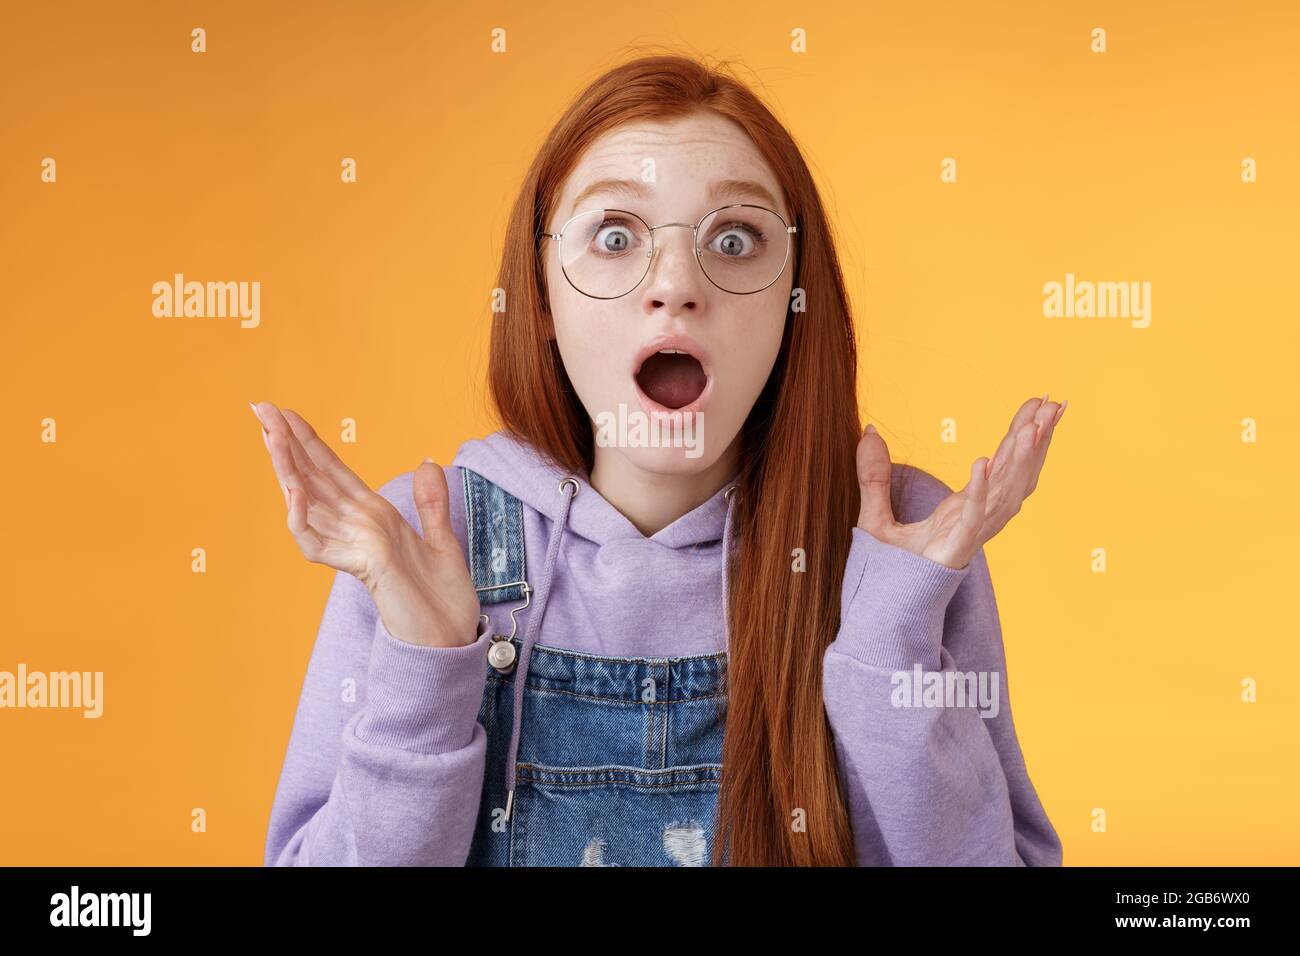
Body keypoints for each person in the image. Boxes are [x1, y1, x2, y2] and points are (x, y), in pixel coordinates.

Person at [257, 54, 1066, 867]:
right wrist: (425, 677)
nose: (677, 284)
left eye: (736, 237)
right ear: (540, 298)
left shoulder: (895, 540)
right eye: (615, 236)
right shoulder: (431, 546)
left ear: (796, 300)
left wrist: (892, 645)